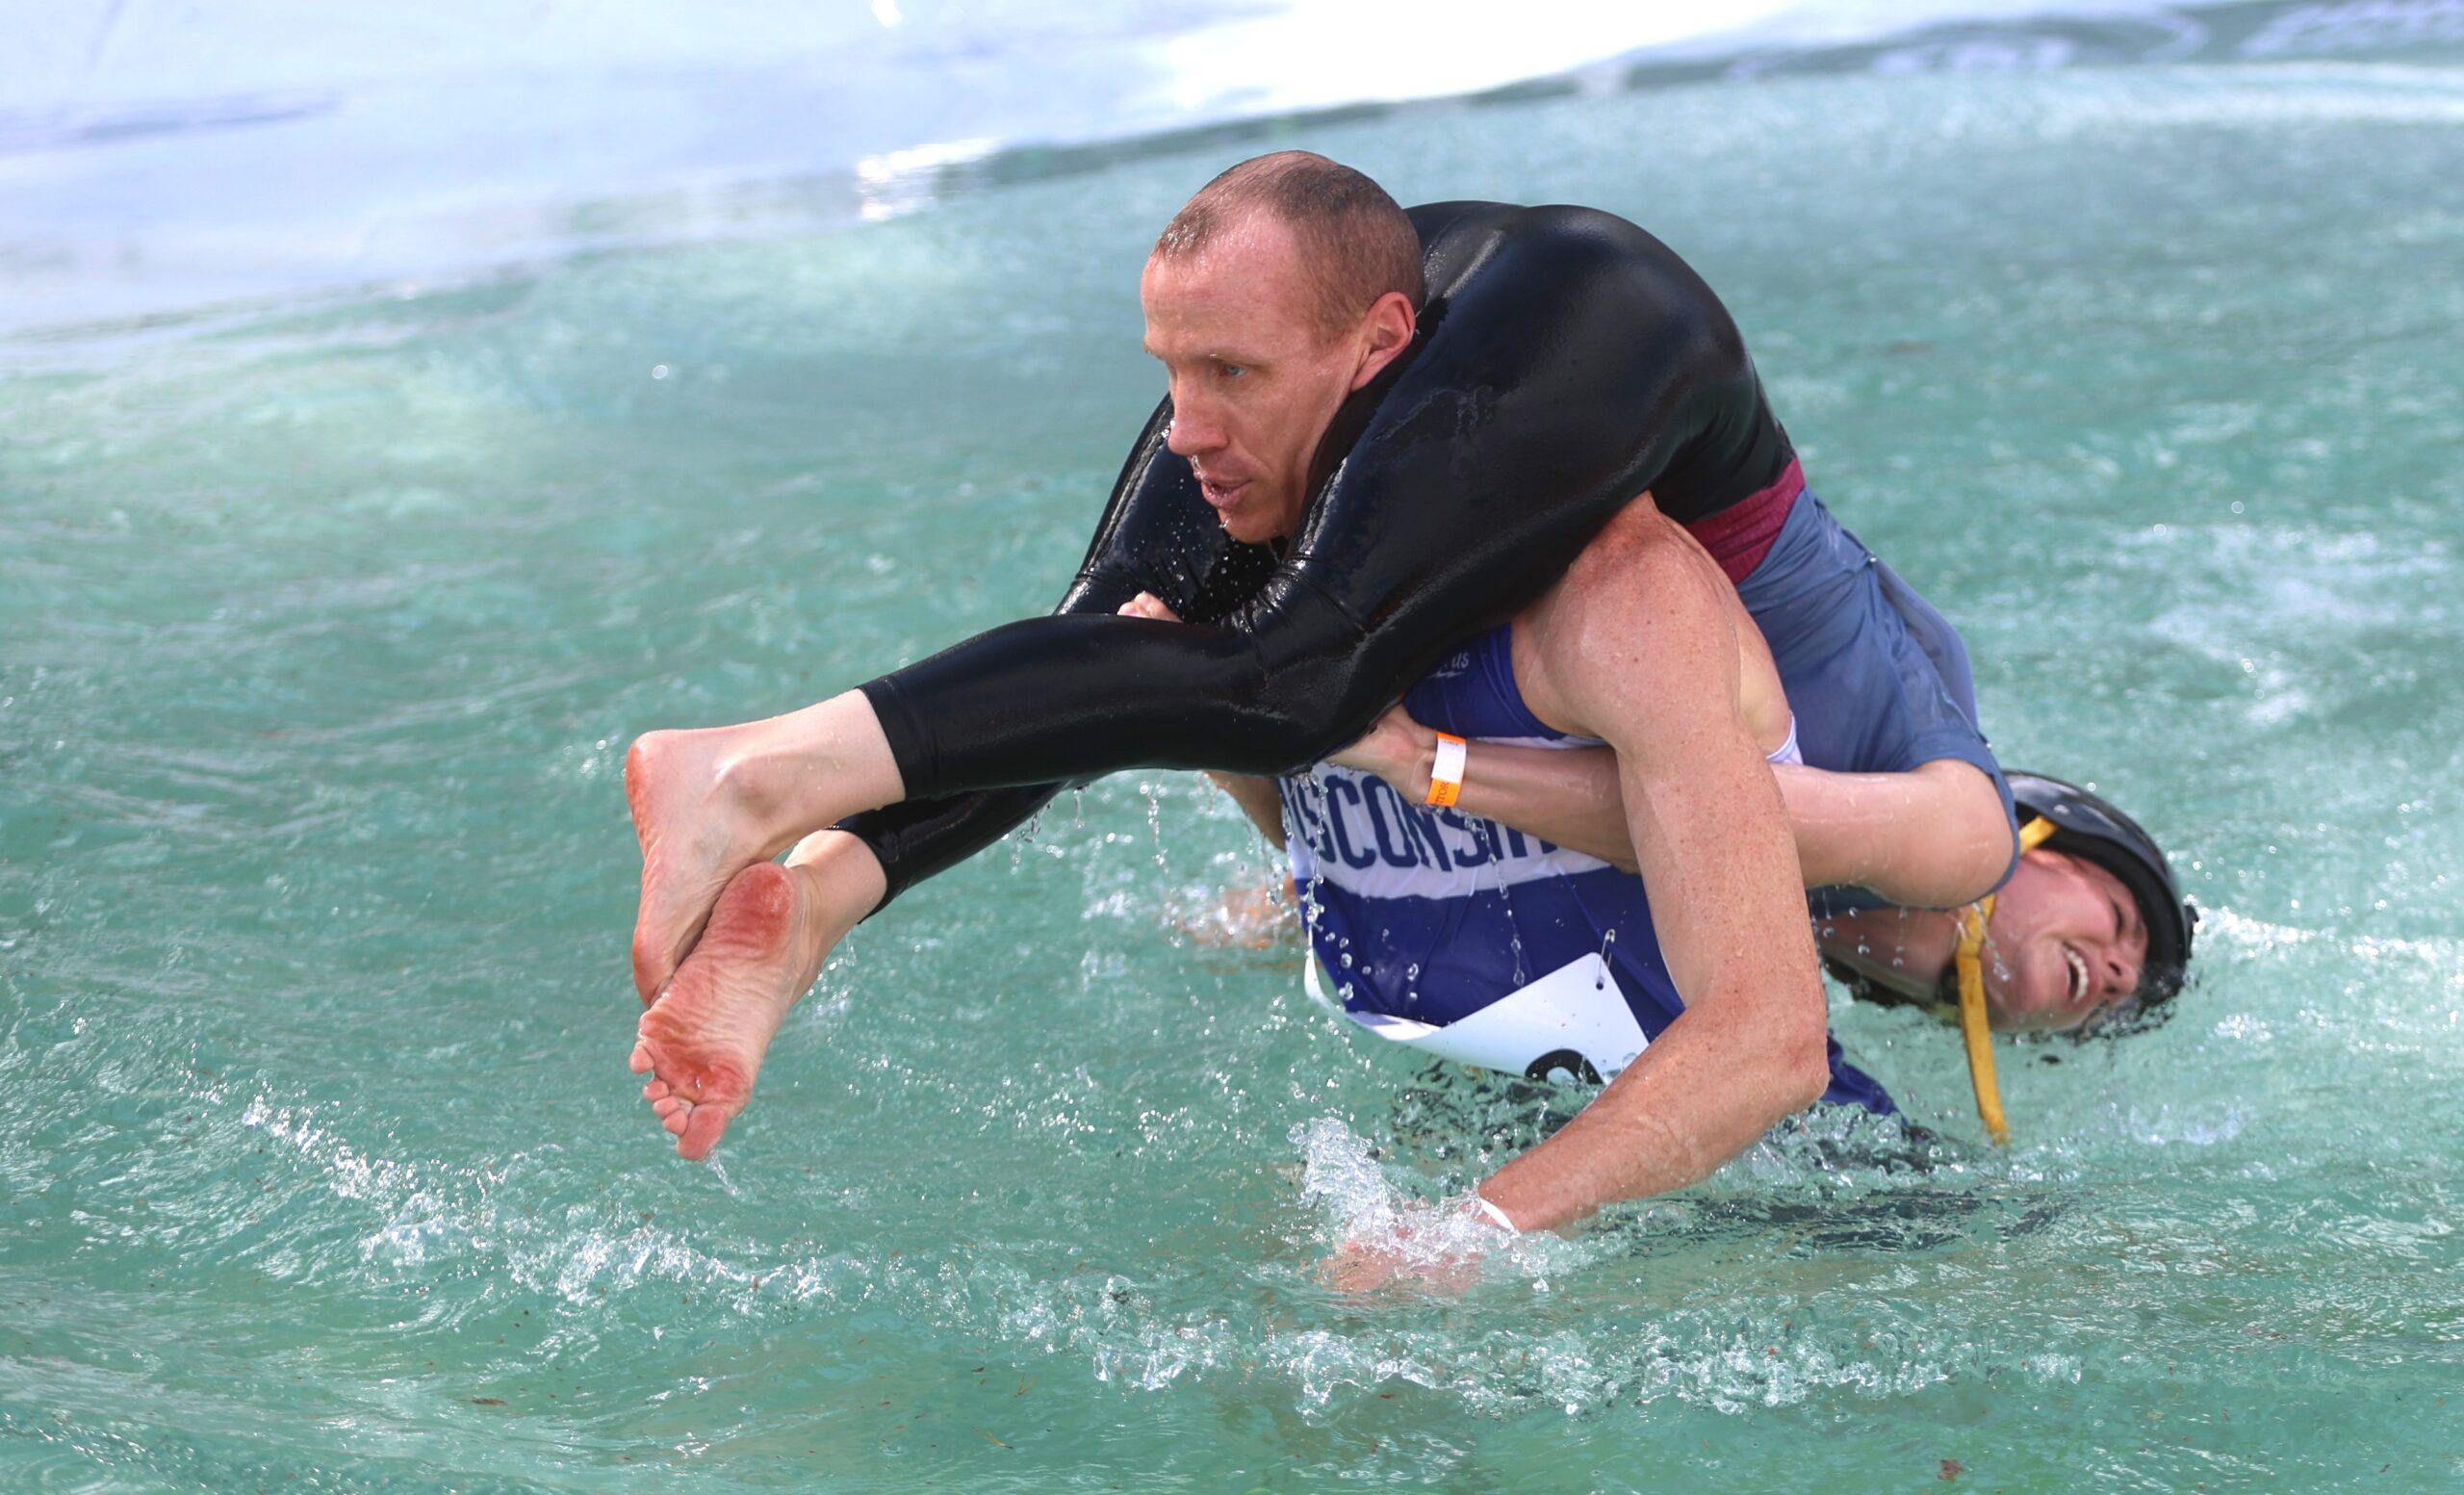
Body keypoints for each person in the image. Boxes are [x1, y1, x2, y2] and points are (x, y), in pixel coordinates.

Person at [621, 154, 2019, 1185]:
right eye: (2100, 935)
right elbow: (1939, 856)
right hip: (1563, 331)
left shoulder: (1842, 792)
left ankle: (803, 857)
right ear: (2065, 833)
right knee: (1186, 646)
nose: (2060, 973)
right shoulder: (1919, 743)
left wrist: (1413, 783)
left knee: (1228, 668)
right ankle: (789, 844)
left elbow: (1732, 879)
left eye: (1222, 376)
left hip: (1492, 318)